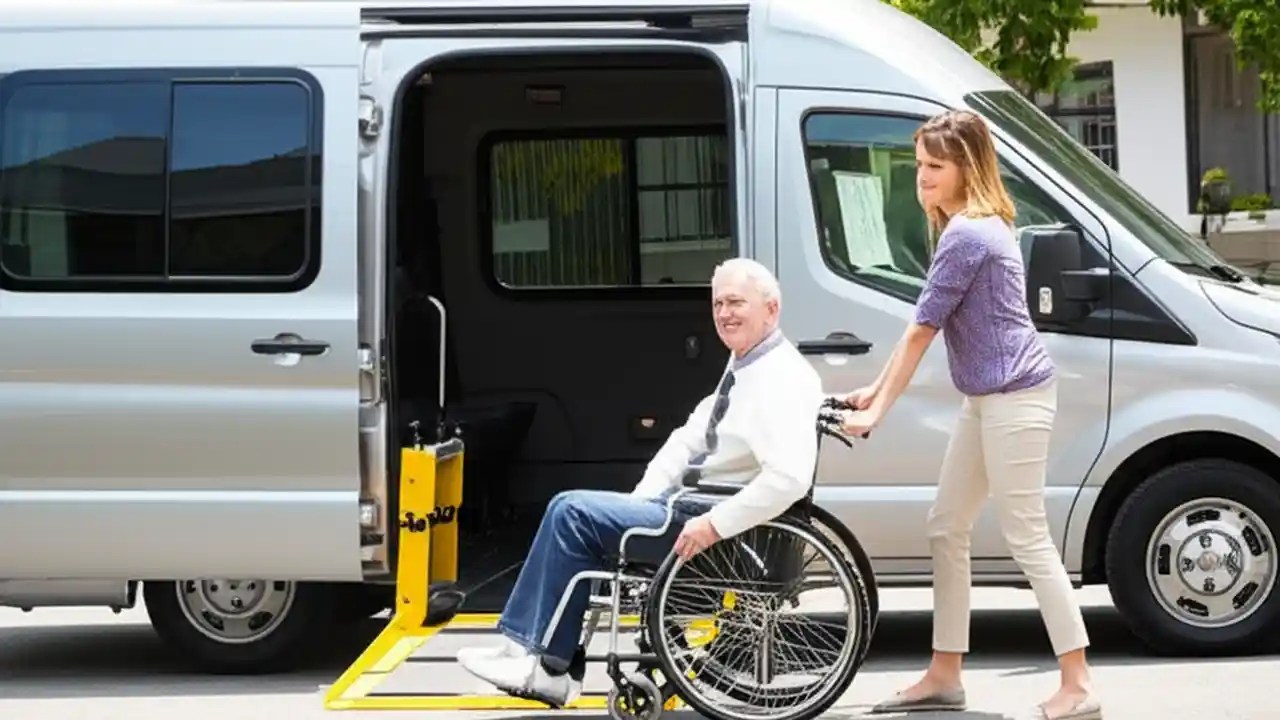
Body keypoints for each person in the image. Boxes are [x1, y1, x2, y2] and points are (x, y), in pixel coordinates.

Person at [455, 258, 825, 707]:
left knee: (571, 513)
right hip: (688, 506)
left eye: (736, 303)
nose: (724, 313)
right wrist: (643, 500)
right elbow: (688, 437)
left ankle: (548, 667)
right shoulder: (749, 363)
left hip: (715, 529)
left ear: (771, 309)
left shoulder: (781, 378)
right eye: (718, 304)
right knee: (576, 514)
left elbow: (789, 478)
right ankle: (528, 652)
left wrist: (714, 526)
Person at [838, 110, 1102, 720]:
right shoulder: (973, 226)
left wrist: (877, 410)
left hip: (1015, 397)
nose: (922, 177)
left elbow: (921, 331)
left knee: (1027, 537)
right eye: (919, 165)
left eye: (936, 166)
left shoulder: (969, 234)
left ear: (967, 167)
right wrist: (871, 390)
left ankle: (1079, 684)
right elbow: (922, 323)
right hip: (986, 398)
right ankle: (945, 674)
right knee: (947, 525)